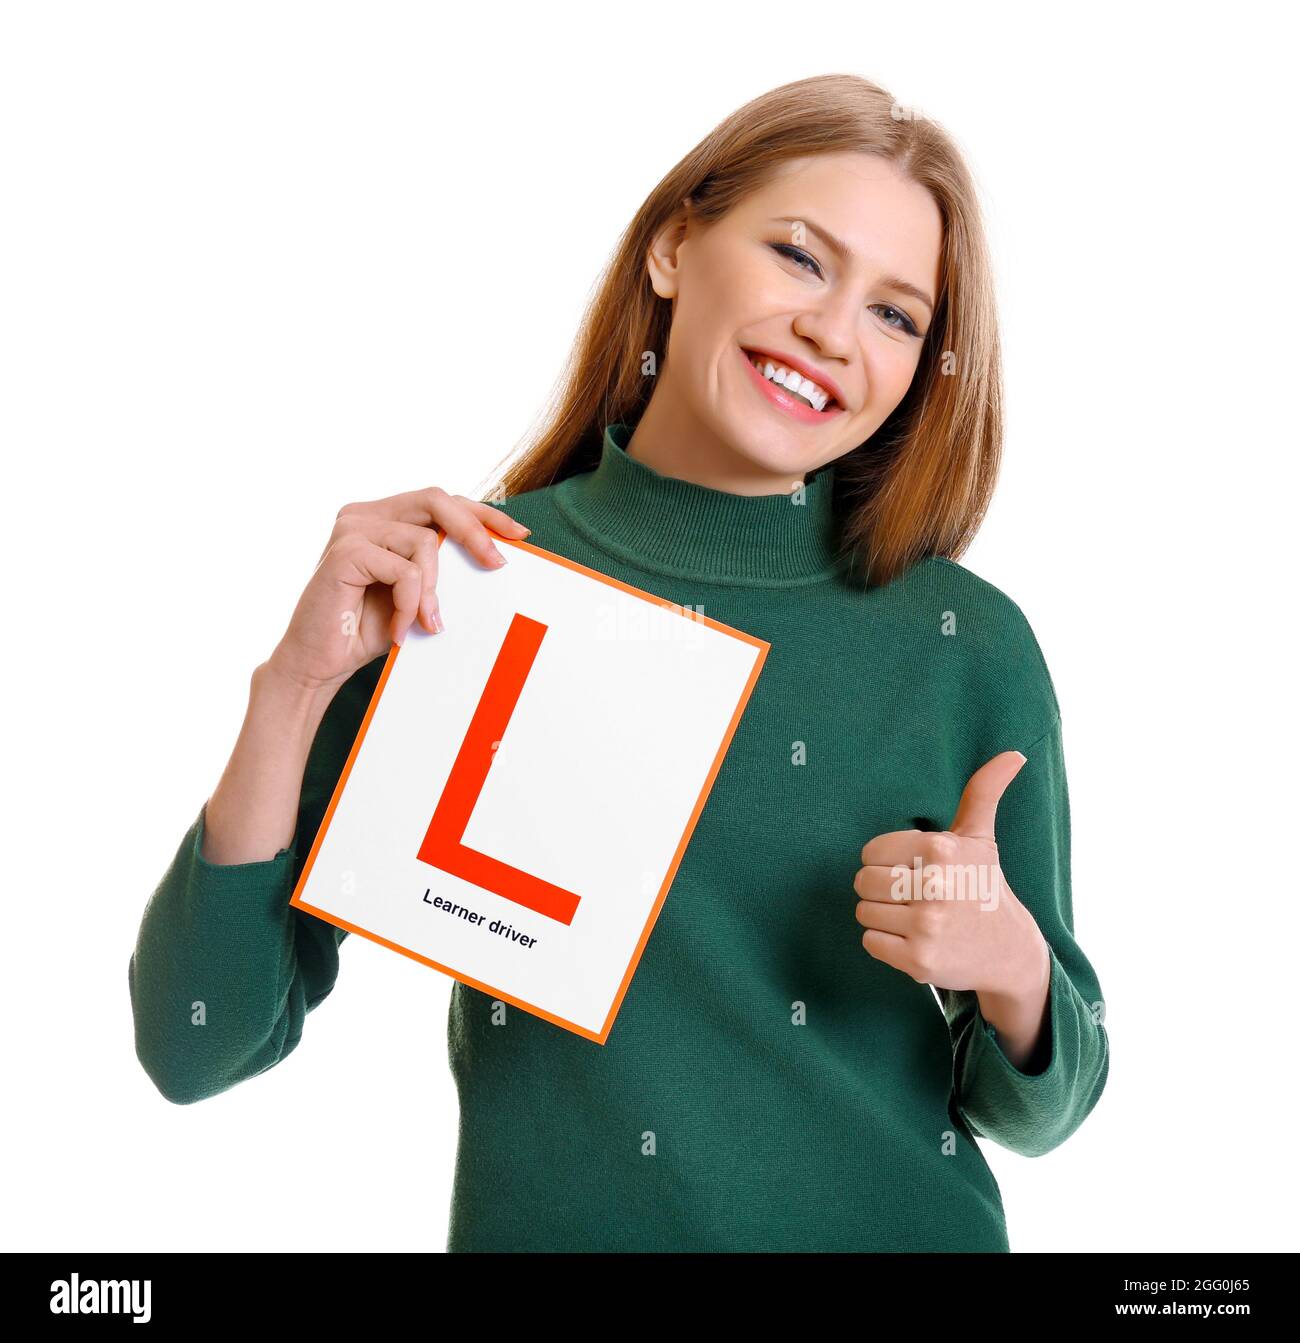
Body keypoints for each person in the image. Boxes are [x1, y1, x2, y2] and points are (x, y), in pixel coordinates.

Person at [129, 72, 1110, 1252]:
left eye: (897, 315)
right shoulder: (473, 584)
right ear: (670, 247)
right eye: (800, 256)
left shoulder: (965, 646)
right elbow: (196, 1042)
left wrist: (1008, 968)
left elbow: (1044, 1107)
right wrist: (290, 690)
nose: (832, 330)